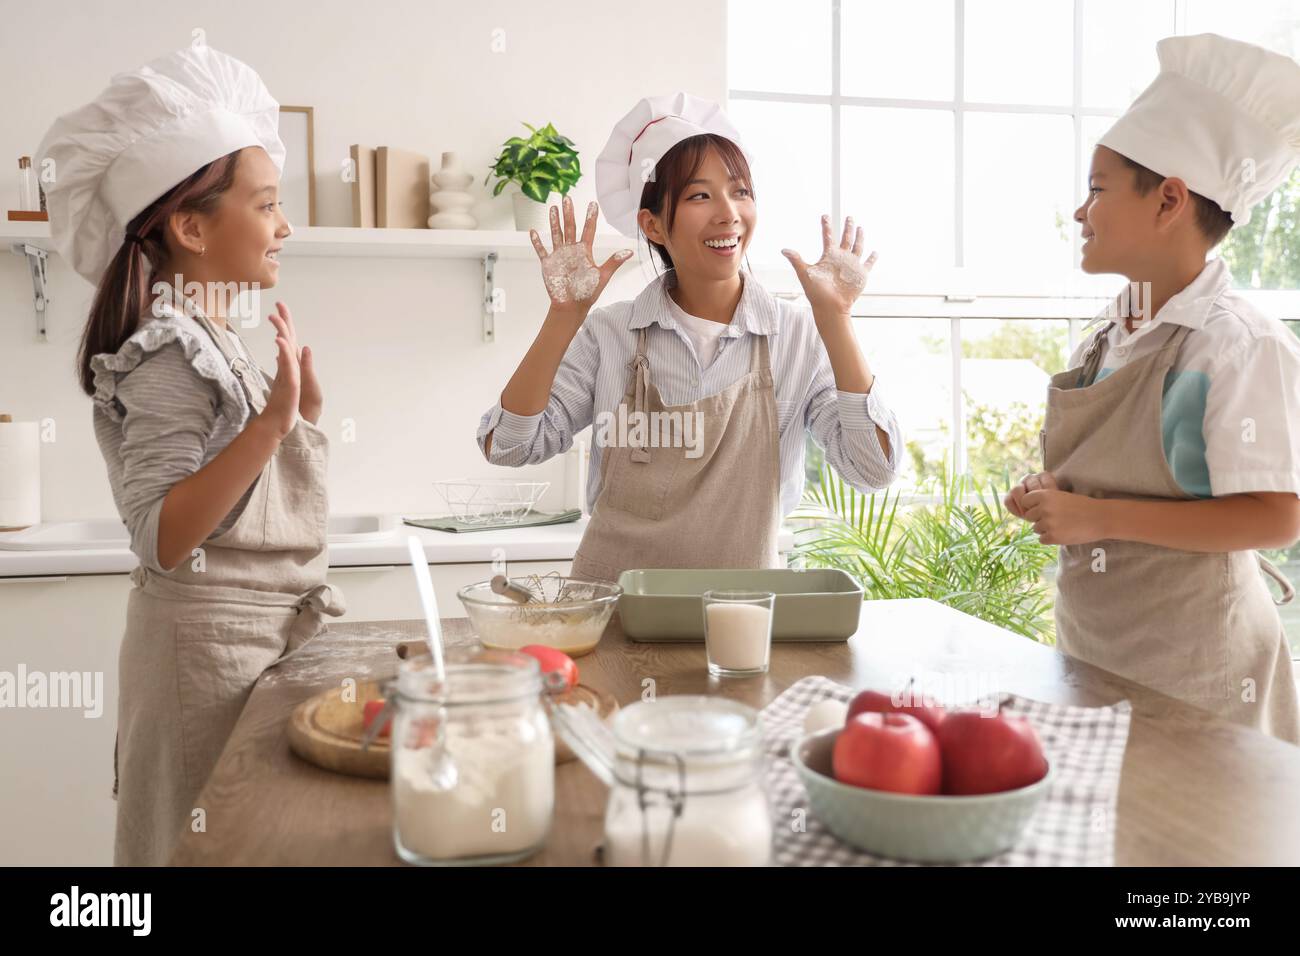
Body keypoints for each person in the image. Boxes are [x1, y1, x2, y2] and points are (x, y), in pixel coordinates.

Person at [36, 44, 344, 864]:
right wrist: (269, 429)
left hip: (247, 650)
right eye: (268, 204)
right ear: (190, 225)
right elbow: (163, 535)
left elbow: (236, 490)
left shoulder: (215, 338)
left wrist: (297, 417)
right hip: (201, 665)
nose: (284, 226)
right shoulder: (167, 350)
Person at [1006, 35, 1300, 743]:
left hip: (1201, 669)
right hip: (1099, 652)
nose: (1081, 212)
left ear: (1169, 199)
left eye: (1098, 189)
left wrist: (1094, 519)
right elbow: (1117, 484)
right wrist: (1055, 492)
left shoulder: (1236, 343)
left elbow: (1278, 516)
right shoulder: (1105, 338)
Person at [478, 92, 902, 583]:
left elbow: (873, 471)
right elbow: (507, 446)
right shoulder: (610, 332)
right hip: (613, 613)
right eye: (700, 195)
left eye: (740, 191)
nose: (729, 213)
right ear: (652, 224)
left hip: (743, 616)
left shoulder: (800, 337)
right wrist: (563, 317)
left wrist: (836, 321)